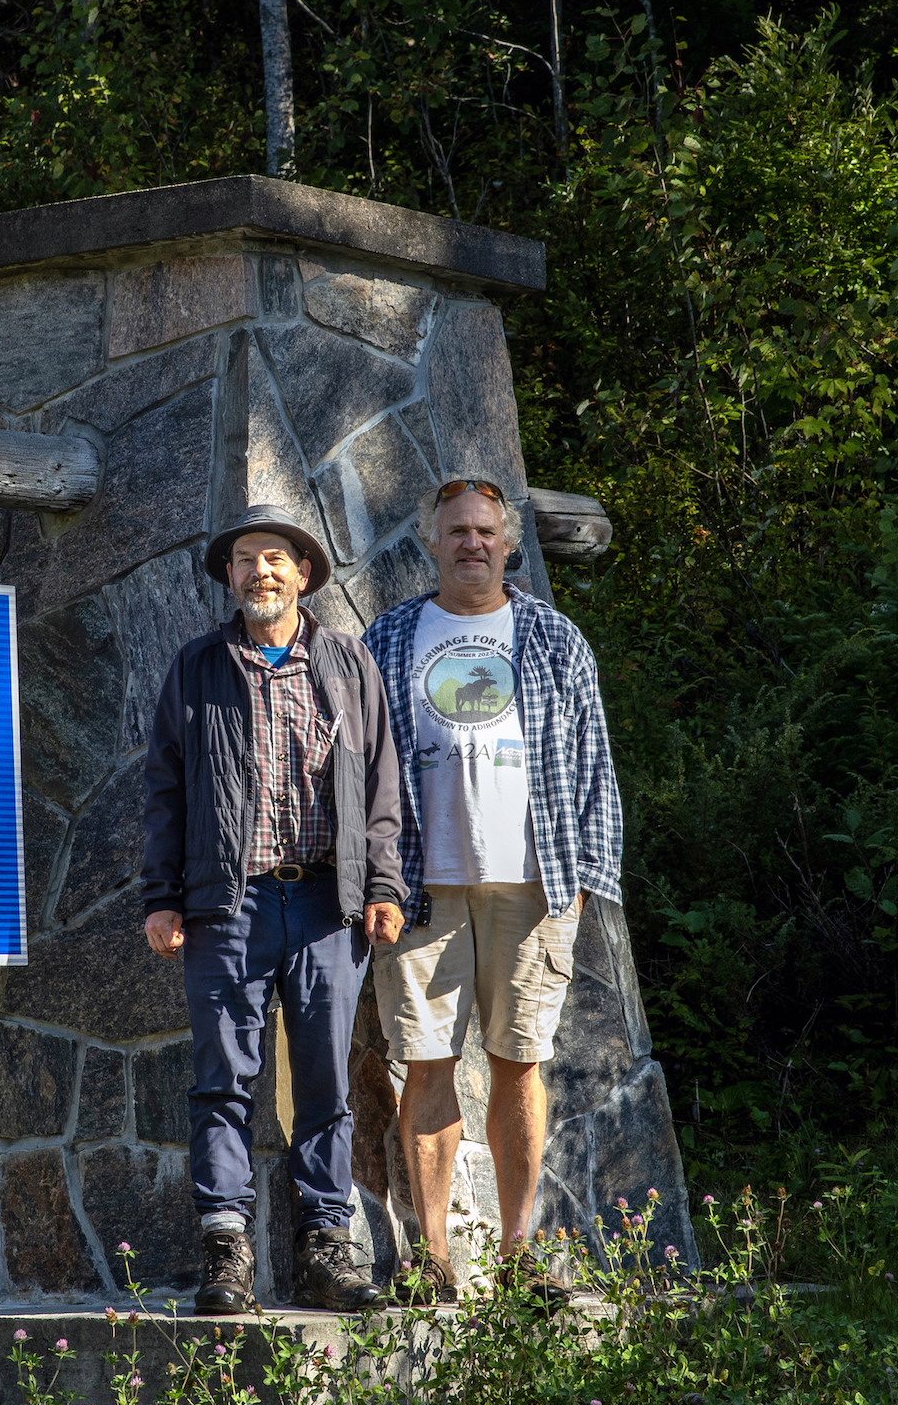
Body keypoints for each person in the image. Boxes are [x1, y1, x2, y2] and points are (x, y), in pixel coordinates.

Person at [361, 478, 623, 1306]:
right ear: (430, 541)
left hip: (532, 880)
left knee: (520, 1065)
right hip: (419, 886)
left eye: (485, 531)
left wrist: (583, 882)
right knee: (427, 1065)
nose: (471, 542)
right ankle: (431, 1256)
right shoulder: (390, 636)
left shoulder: (553, 637)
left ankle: (516, 1254)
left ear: (509, 545)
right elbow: (361, 766)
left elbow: (593, 768)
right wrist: (371, 876)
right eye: (456, 531)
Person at [141, 505, 407, 1315]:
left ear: (304, 574)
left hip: (329, 901)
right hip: (226, 905)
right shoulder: (196, 667)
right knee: (222, 1084)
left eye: (277, 558)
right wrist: (161, 896)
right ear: (230, 577)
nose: (262, 571)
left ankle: (326, 1248)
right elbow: (164, 790)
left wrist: (385, 885)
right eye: (247, 559)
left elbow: (382, 786)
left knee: (326, 1087)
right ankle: (226, 1256)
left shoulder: (349, 664)